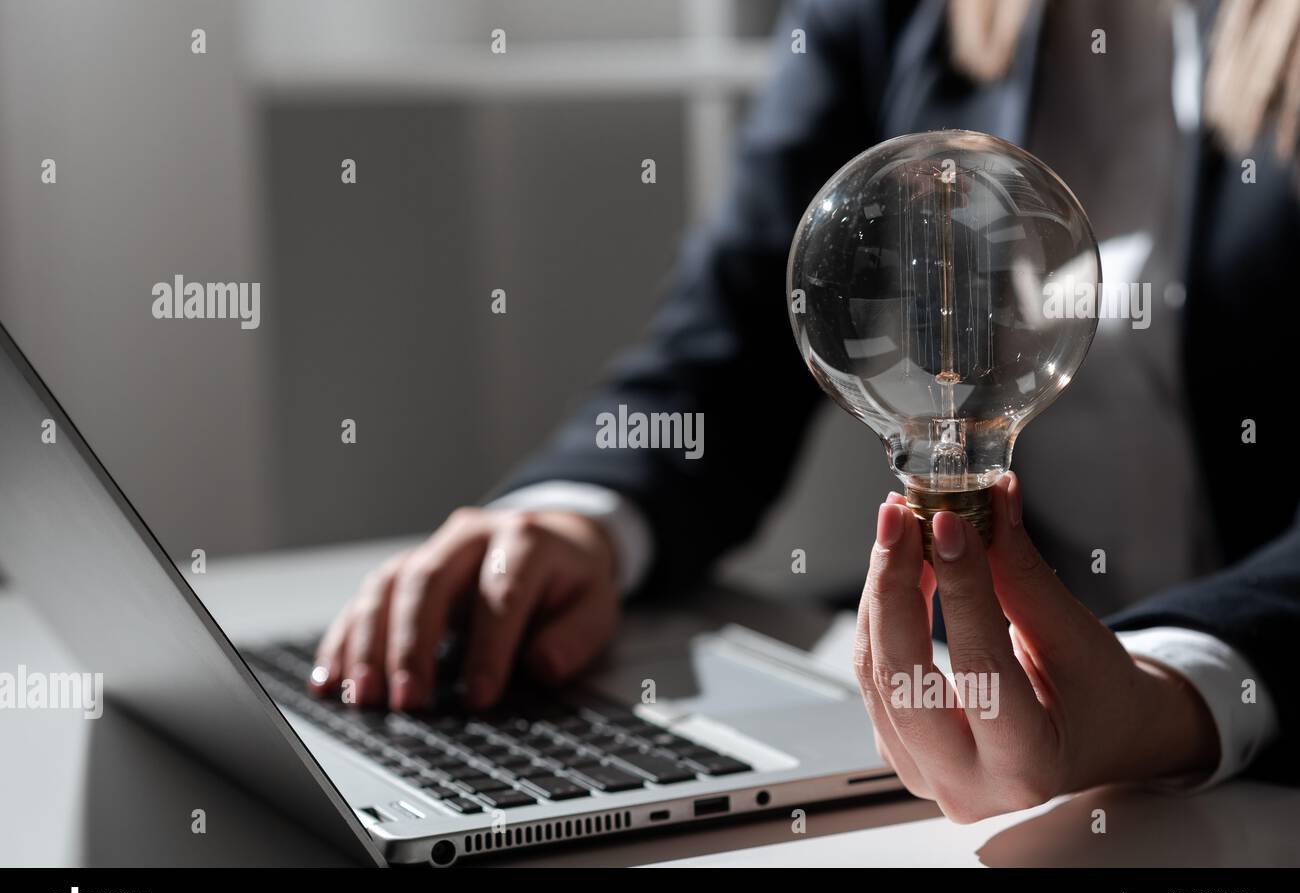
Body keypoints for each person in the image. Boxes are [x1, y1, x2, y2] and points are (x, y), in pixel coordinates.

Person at [310, 0, 1299, 821]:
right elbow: (730, 332)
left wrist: (1180, 681)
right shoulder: (891, 14)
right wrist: (578, 516)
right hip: (980, 734)